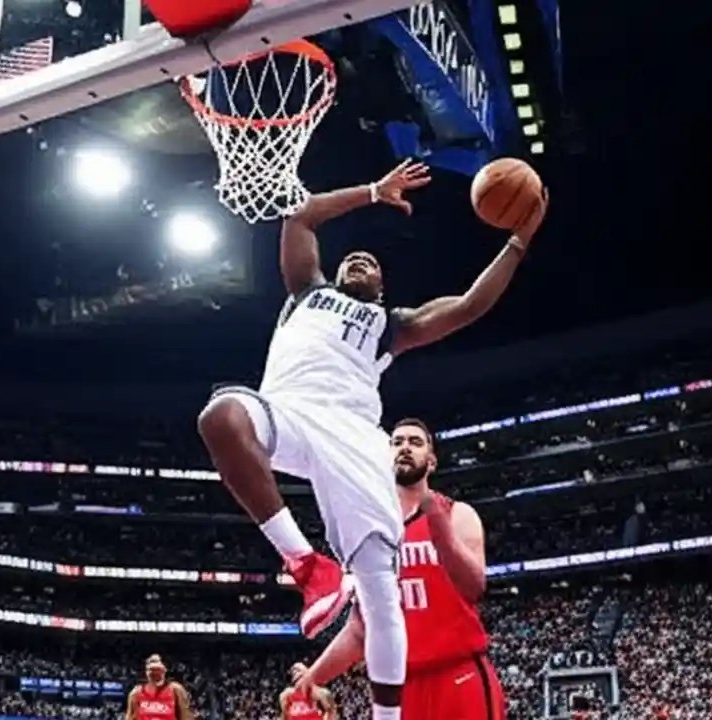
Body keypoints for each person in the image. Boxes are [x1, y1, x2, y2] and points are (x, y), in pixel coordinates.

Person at [198, 160, 544, 720]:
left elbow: (468, 306)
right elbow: (300, 217)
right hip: (290, 413)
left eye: (372, 264)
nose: (360, 260)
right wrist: (373, 192)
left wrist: (518, 242)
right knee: (221, 416)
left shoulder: (390, 325)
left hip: (356, 439)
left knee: (381, 593)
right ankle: (306, 564)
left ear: (381, 290)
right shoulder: (305, 291)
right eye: (352, 258)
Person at [294, 417, 506, 720]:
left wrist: (440, 529)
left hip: (458, 674)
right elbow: (360, 630)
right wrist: (312, 678)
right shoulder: (369, 535)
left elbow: (474, 587)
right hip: (400, 687)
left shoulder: (458, 514)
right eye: (397, 442)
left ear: (431, 462)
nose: (405, 447)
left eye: (415, 442)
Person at [125, 654, 194, 720]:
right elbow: (130, 717)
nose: (155, 673)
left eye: (158, 669)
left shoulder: (176, 690)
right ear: (146, 672)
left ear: (165, 670)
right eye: (152, 669)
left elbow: (186, 716)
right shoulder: (136, 693)